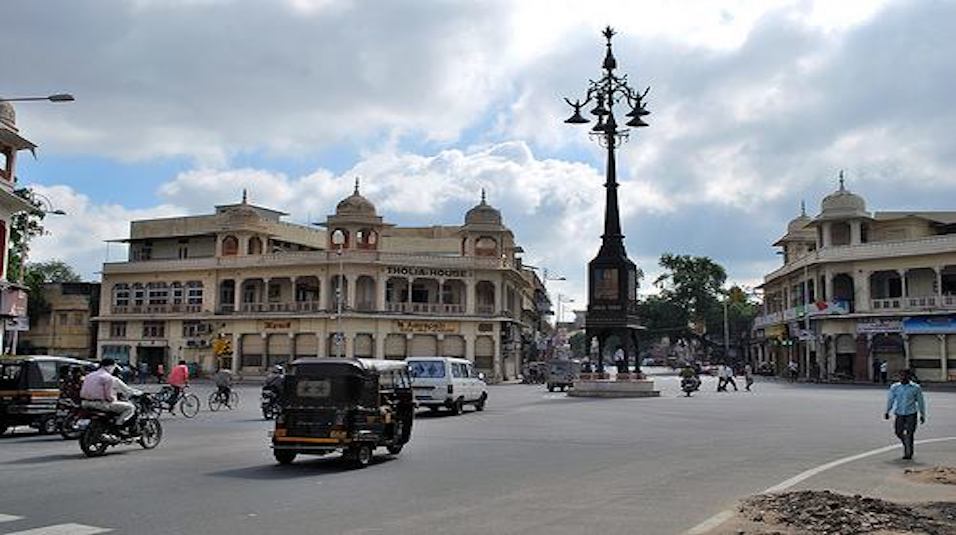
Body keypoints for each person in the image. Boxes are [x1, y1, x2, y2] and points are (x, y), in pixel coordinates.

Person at [79, 358, 141, 432]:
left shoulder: (89, 375)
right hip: (100, 404)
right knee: (130, 407)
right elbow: (109, 396)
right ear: (110, 366)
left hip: (85, 403)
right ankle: (118, 426)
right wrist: (114, 399)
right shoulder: (108, 378)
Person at [884, 369, 926, 460]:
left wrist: (922, 414)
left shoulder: (915, 388)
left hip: (911, 413)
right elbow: (891, 399)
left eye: (904, 376)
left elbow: (920, 402)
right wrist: (887, 411)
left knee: (910, 433)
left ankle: (908, 453)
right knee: (898, 432)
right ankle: (906, 443)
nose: (902, 378)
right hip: (899, 413)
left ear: (909, 377)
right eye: (900, 376)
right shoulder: (895, 387)